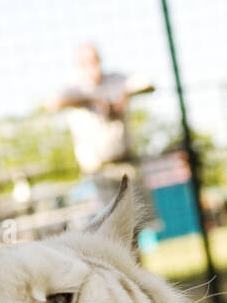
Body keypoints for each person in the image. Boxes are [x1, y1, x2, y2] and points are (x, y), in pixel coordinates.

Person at [47, 43, 155, 211]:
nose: (92, 65)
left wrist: (124, 95)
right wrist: (91, 100)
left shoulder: (116, 79)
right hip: (98, 169)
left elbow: (149, 85)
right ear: (79, 64)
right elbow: (53, 103)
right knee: (110, 222)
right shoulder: (75, 87)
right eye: (86, 61)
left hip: (126, 161)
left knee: (136, 219)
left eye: (94, 59)